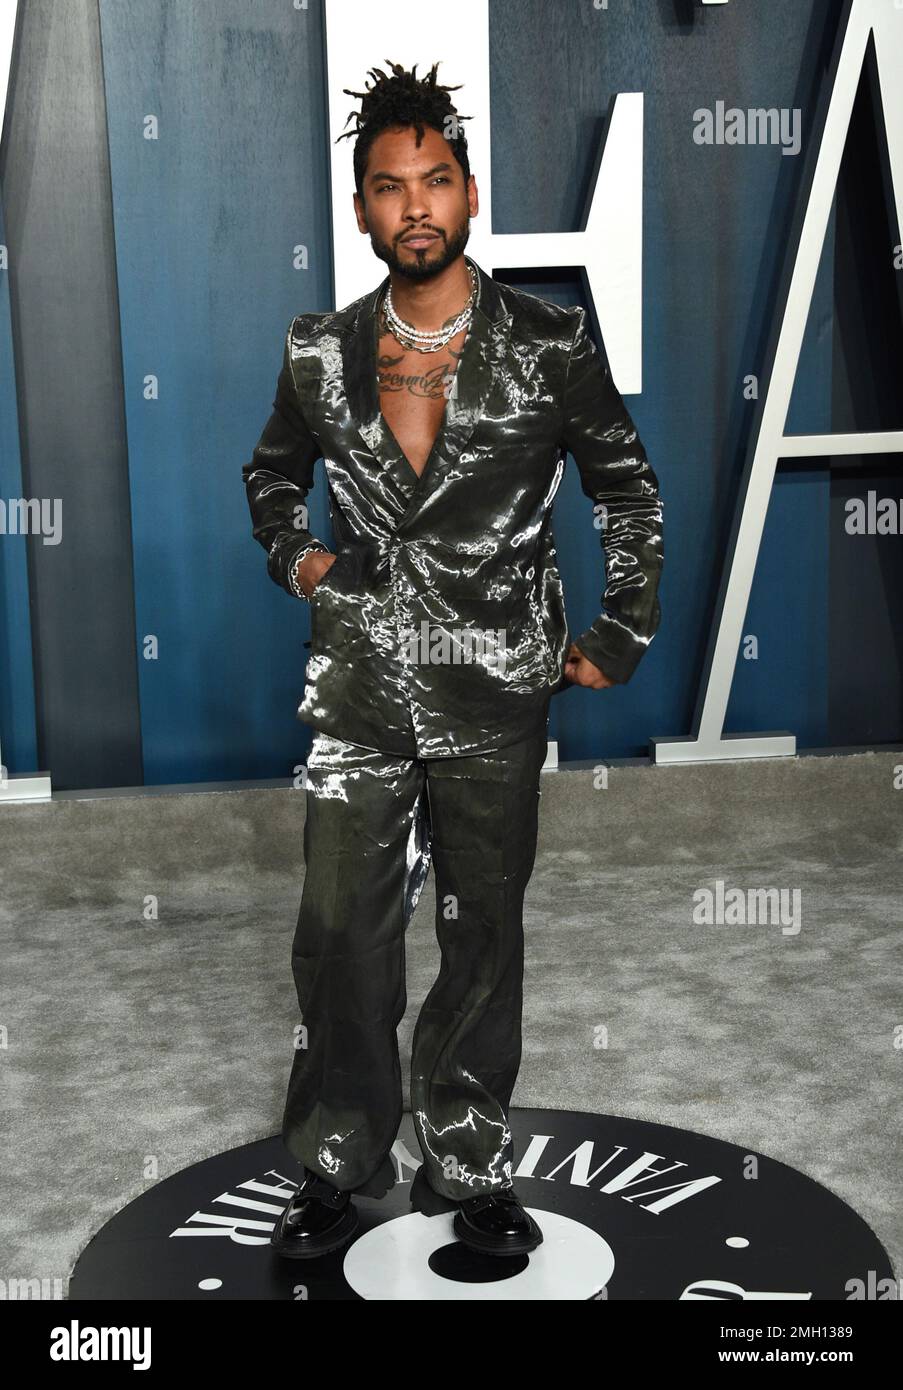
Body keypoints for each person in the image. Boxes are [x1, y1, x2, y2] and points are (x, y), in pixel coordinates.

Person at [242, 59, 664, 1261]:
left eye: (436, 181)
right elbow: (271, 475)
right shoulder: (319, 352)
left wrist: (618, 631)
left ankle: (470, 1157)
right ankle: (337, 1157)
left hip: (496, 689)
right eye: (389, 187)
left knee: (482, 932)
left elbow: (627, 488)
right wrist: (300, 560)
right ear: (363, 210)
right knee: (340, 935)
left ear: (471, 196)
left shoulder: (548, 344)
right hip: (361, 689)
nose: (414, 205)